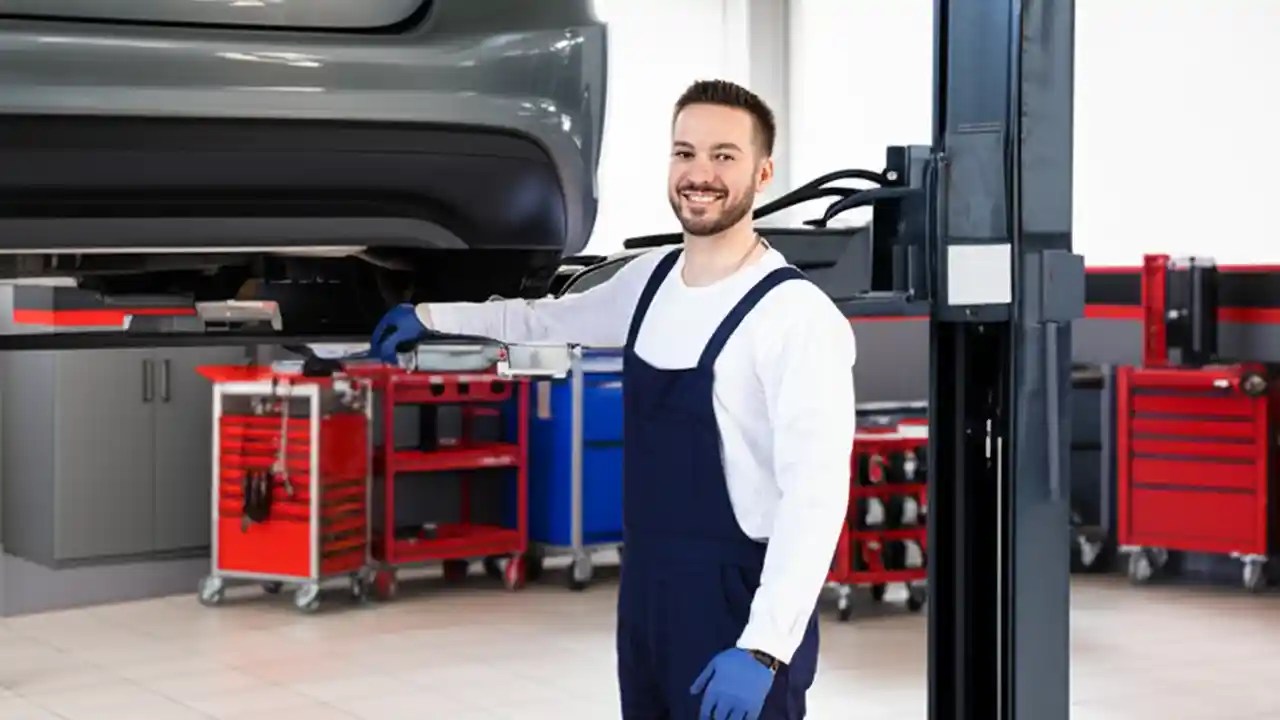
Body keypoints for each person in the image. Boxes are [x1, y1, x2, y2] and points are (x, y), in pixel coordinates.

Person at [370, 79, 856, 720]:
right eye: (684, 153)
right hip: (648, 593)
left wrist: (764, 649)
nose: (699, 174)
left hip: (736, 608)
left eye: (723, 155)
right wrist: (430, 314)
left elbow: (815, 502)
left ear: (763, 172)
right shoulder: (648, 282)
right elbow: (545, 320)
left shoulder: (796, 317)